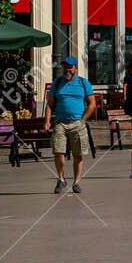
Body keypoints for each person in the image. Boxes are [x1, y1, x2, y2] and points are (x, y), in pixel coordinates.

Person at [46, 57, 96, 196]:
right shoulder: (57, 83)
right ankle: (61, 179)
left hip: (77, 123)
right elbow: (50, 104)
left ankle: (76, 182)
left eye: (70, 67)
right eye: (65, 67)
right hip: (60, 122)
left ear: (75, 68)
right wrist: (47, 121)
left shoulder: (83, 82)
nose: (67, 70)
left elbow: (92, 103)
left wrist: (83, 120)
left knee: (78, 154)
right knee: (58, 151)